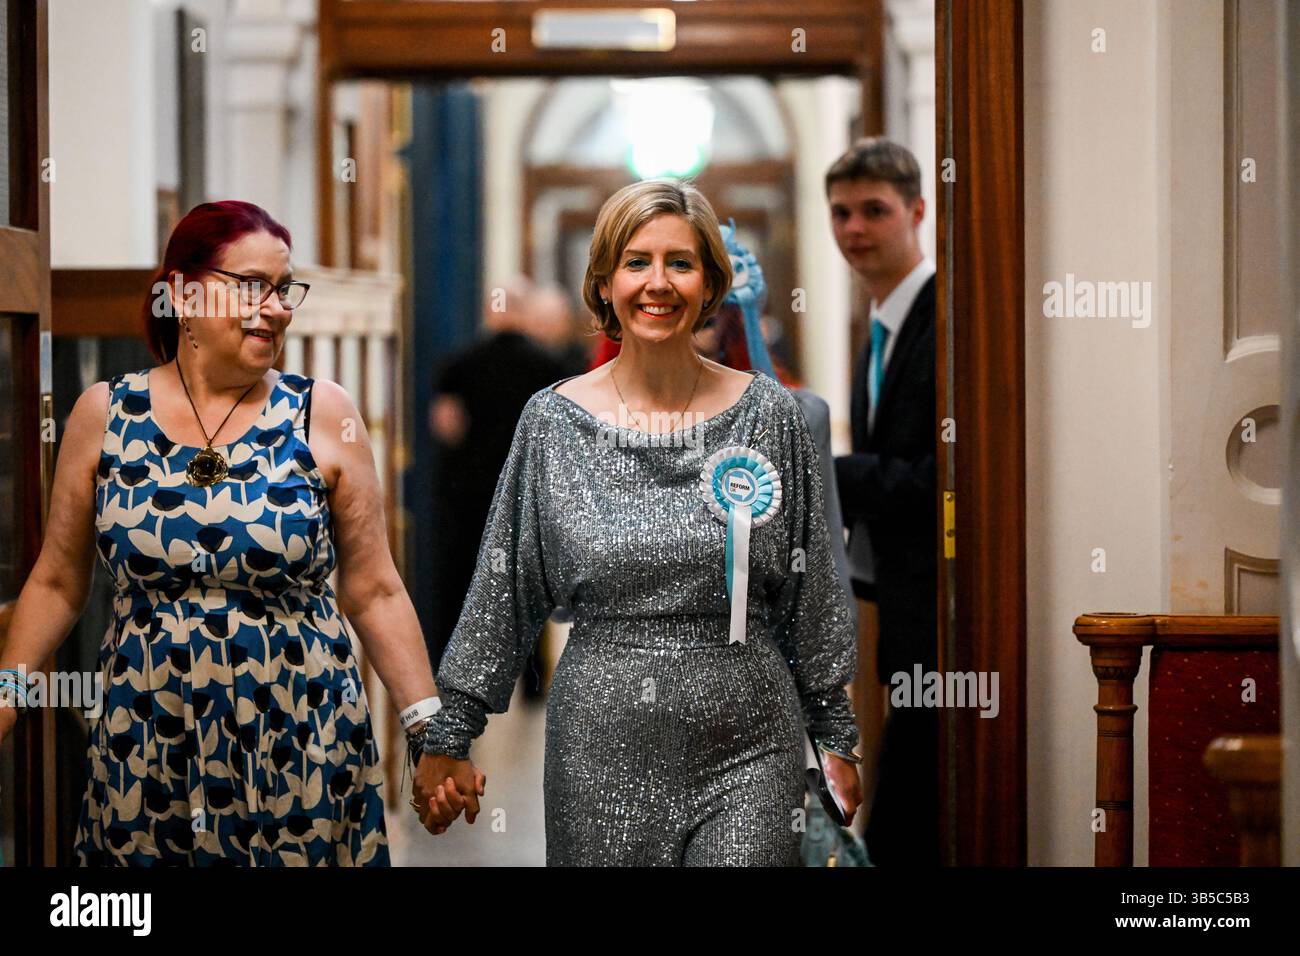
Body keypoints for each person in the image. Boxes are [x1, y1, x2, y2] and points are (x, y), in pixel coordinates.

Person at [0, 200, 479, 865]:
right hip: (147, 738)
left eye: (284, 290)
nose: (277, 306)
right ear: (181, 295)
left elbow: (375, 590)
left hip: (301, 736)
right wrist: (8, 694)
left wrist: (430, 728)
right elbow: (56, 580)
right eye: (253, 285)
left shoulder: (322, 413)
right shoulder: (106, 414)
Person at [411, 179, 863, 865]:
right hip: (601, 745)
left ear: (711, 281)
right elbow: (504, 590)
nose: (659, 283)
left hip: (749, 744)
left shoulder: (772, 416)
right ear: (604, 282)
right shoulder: (553, 421)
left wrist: (835, 734)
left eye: (680, 262)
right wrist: (450, 734)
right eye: (636, 262)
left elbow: (813, 593)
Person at [826, 138, 938, 865]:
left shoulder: (942, 319)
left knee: (905, 826)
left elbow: (937, 478)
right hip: (896, 611)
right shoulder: (878, 326)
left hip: (941, 614)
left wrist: (824, 471)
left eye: (874, 210)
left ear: (918, 211)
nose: (854, 229)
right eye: (840, 212)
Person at [427, 276, 569, 683]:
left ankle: (453, 670)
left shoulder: (457, 365)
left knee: (460, 580)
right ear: (523, 311)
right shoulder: (550, 366)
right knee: (529, 584)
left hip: (468, 494)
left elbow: (447, 429)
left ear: (490, 310)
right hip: (527, 492)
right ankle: (531, 675)